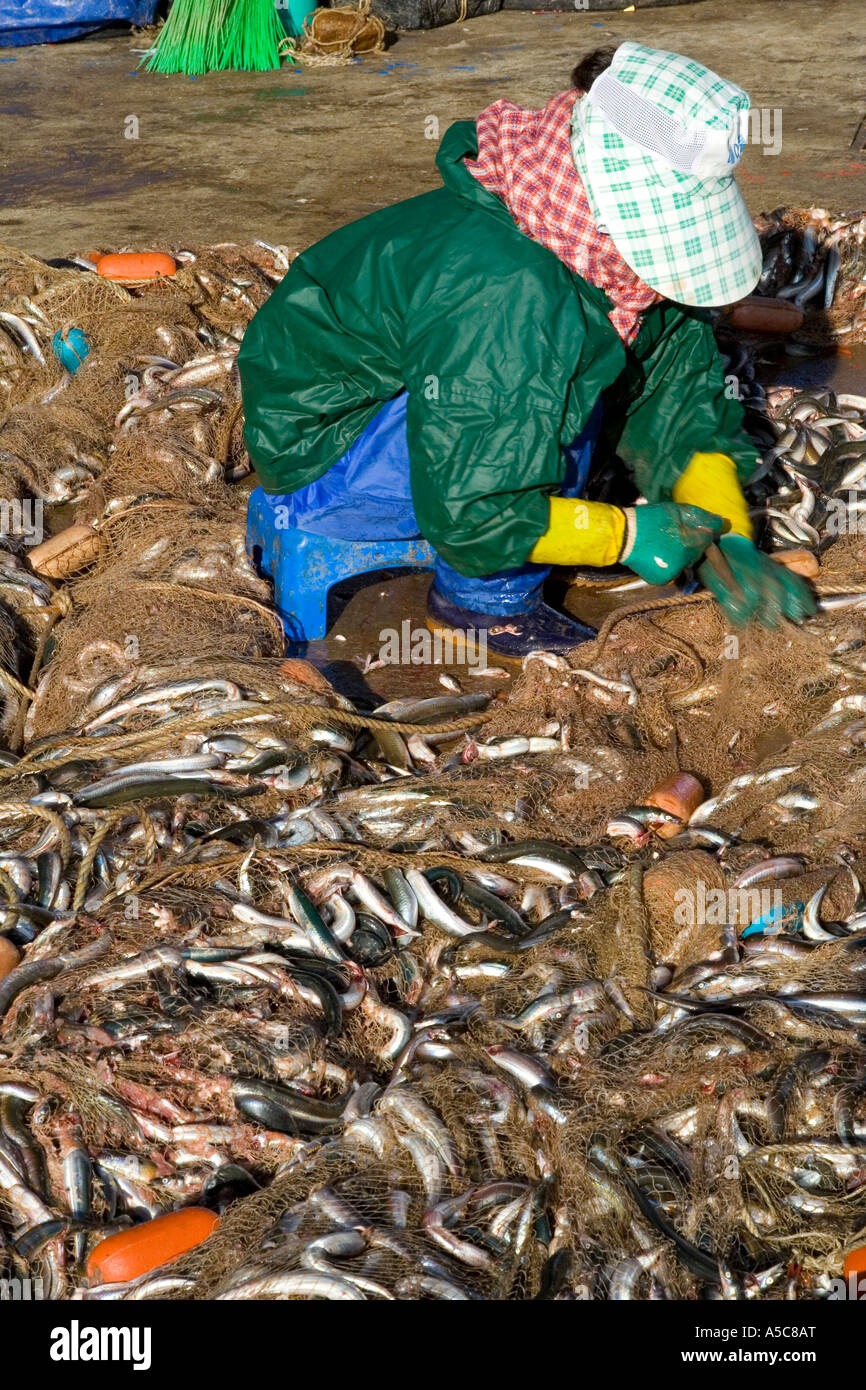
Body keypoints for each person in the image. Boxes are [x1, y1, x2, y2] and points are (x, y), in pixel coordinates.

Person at [239, 40, 815, 660]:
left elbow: (673, 374)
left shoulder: (568, 223)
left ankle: (546, 529)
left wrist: (719, 517)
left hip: (449, 400)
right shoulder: (506, 290)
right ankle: (482, 602)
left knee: (591, 362)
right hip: (328, 450)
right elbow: (473, 508)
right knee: (550, 396)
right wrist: (620, 536)